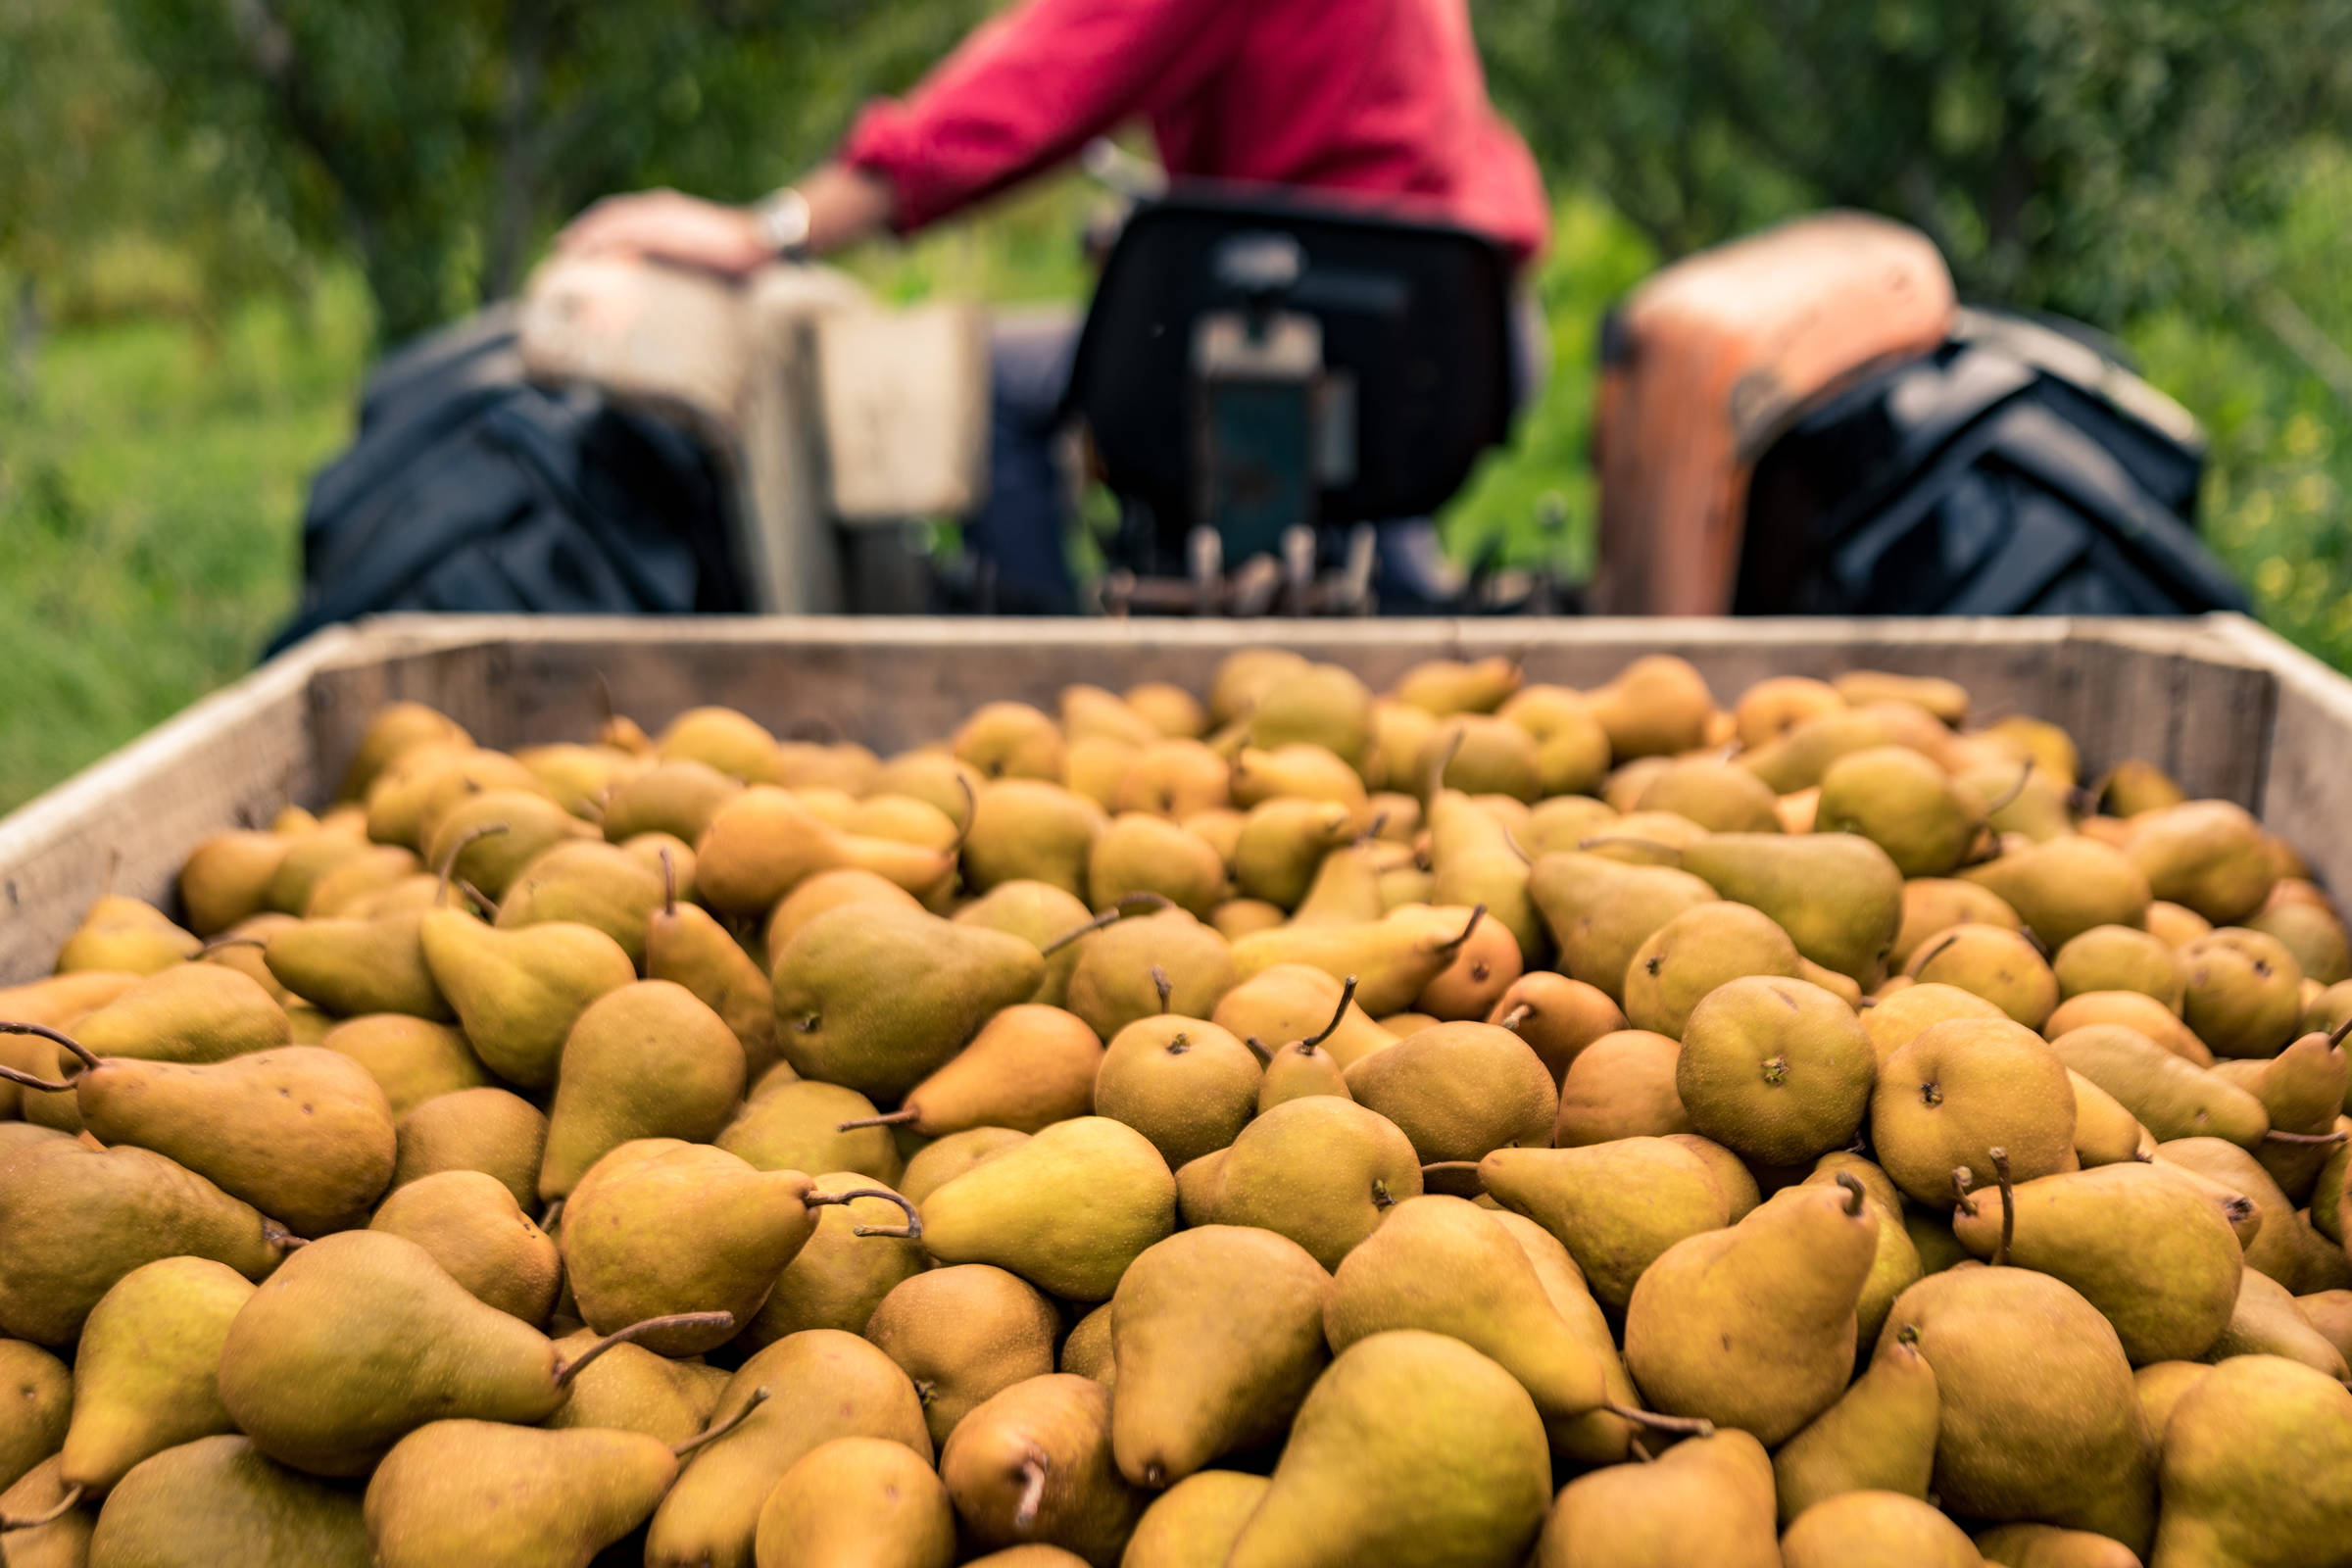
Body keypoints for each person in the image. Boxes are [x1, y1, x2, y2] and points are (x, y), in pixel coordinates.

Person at [559, 0, 1549, 612]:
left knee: (986, 386)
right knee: (1339, 407)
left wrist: (769, 231)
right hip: (1463, 339)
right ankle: (1397, 589)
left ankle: (1052, 680)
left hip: (1292, 341)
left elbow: (1020, 101)